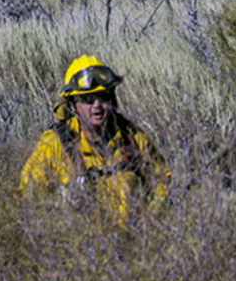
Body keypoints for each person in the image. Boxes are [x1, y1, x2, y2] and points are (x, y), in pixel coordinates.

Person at [18, 55, 170, 221]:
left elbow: (164, 183)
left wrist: (151, 218)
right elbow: (29, 196)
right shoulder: (54, 144)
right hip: (76, 244)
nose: (97, 105)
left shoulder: (133, 139)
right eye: (87, 99)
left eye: (103, 96)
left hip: (130, 242)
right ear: (73, 103)